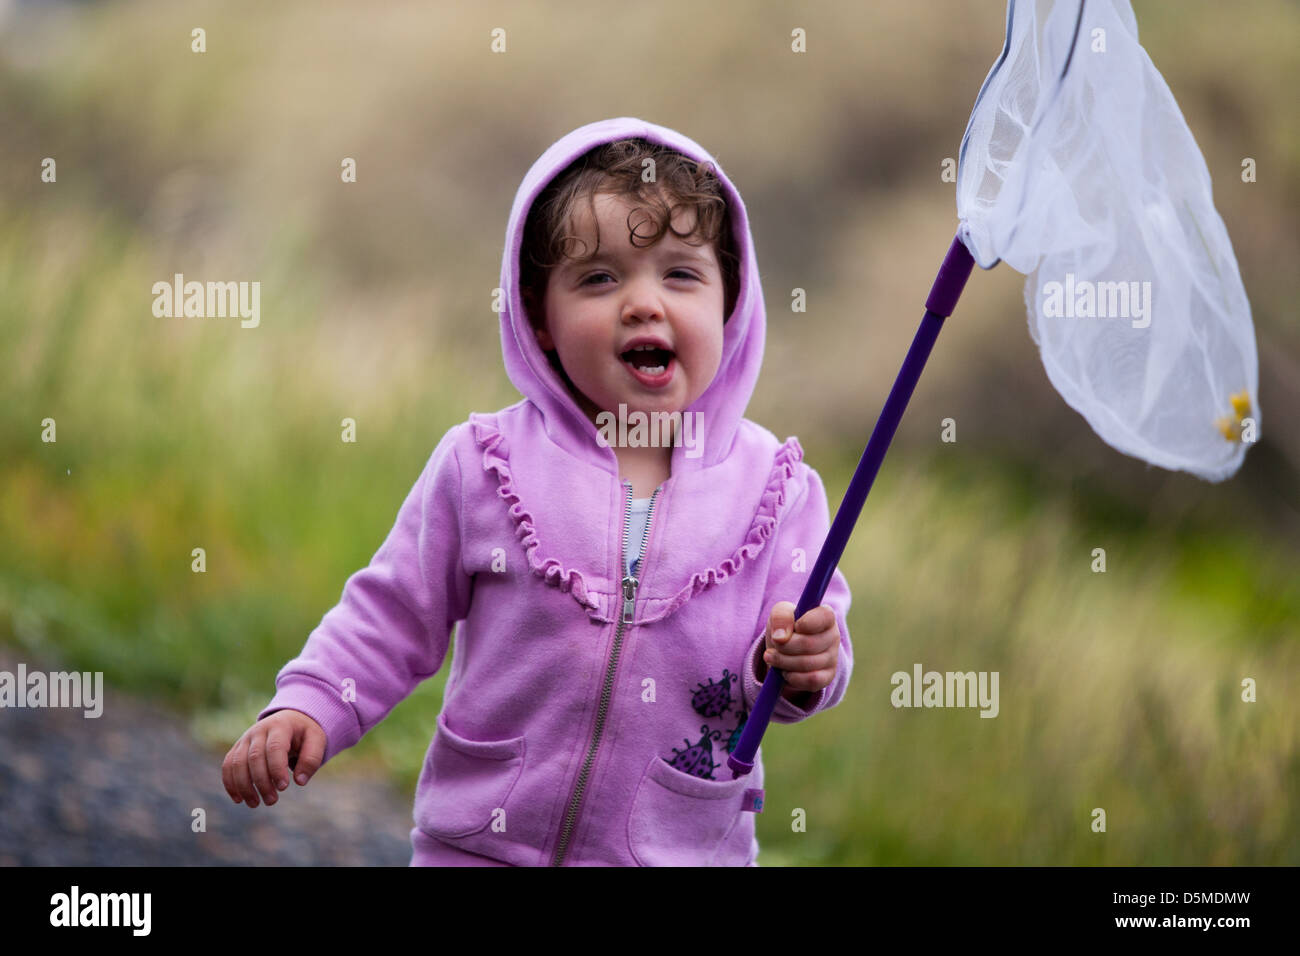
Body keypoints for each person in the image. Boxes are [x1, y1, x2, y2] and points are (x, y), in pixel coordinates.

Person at [220, 116, 853, 866]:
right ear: (540, 317)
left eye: (681, 274)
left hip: (677, 849)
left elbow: (793, 673)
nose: (644, 303)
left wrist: (808, 662)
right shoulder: (484, 465)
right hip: (482, 846)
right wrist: (312, 702)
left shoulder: (775, 494)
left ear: (731, 303)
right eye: (599, 278)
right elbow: (391, 612)